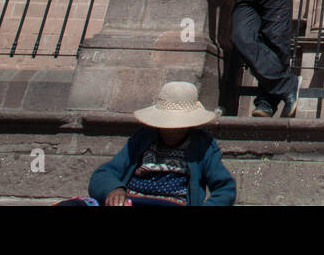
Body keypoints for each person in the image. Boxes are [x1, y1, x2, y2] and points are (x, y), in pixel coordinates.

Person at [87, 80, 235, 206]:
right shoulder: (143, 138)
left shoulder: (203, 145)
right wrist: (114, 189)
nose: (171, 130)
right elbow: (104, 173)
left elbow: (225, 189)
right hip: (131, 201)